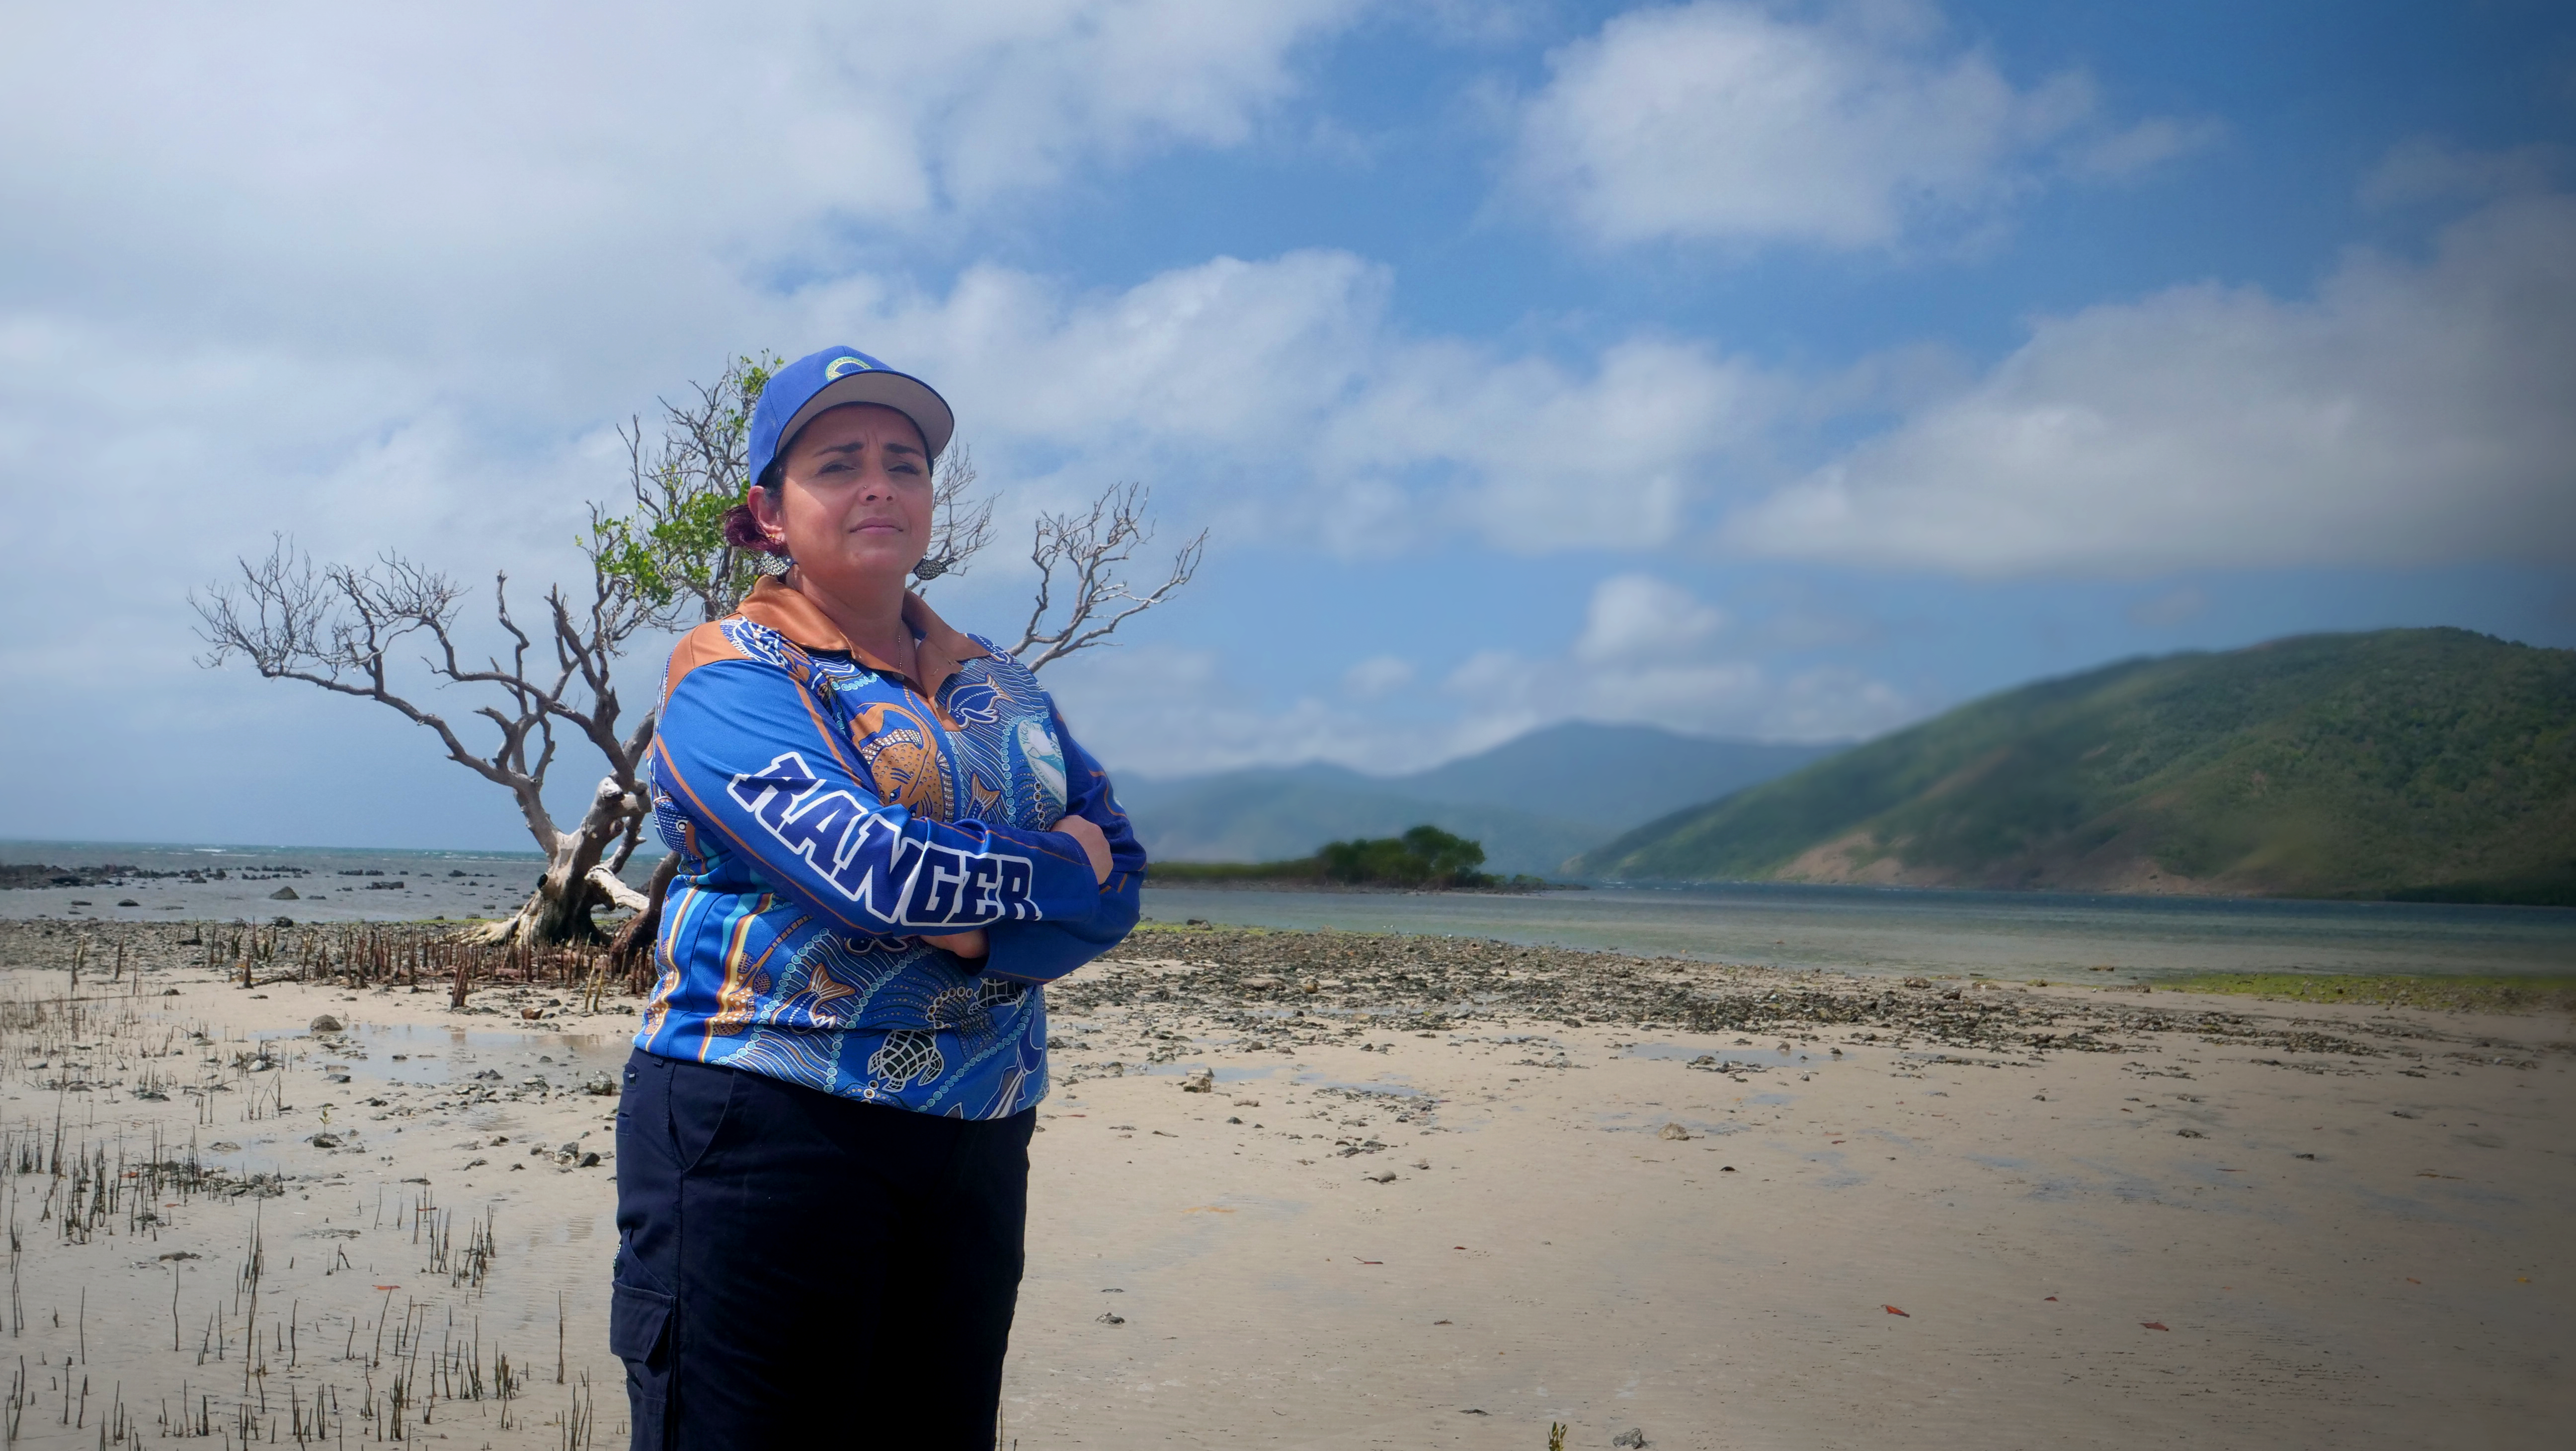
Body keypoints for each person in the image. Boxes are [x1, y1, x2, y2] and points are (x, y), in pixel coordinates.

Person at [609, 345, 1144, 1449]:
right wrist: (1048, 876)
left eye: (905, 463)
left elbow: (1123, 870)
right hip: (767, 1119)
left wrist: (978, 932)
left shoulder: (997, 679)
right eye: (838, 462)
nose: (879, 485)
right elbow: (879, 870)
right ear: (767, 511)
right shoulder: (729, 670)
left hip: (979, 1127)